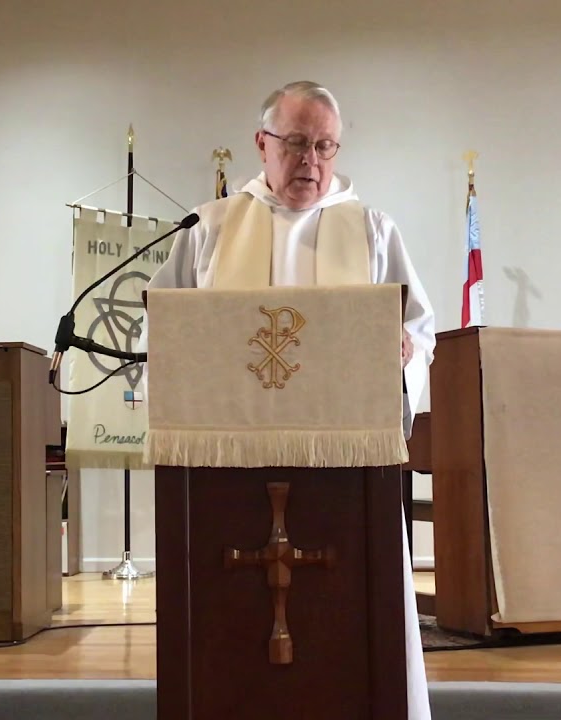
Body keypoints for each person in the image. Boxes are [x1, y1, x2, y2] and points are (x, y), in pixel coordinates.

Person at [146, 80, 435, 719]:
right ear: (263, 143)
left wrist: (406, 355)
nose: (312, 162)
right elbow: (160, 327)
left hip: (348, 471)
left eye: (326, 146)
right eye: (298, 143)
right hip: (224, 472)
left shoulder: (371, 230)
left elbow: (417, 327)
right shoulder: (210, 228)